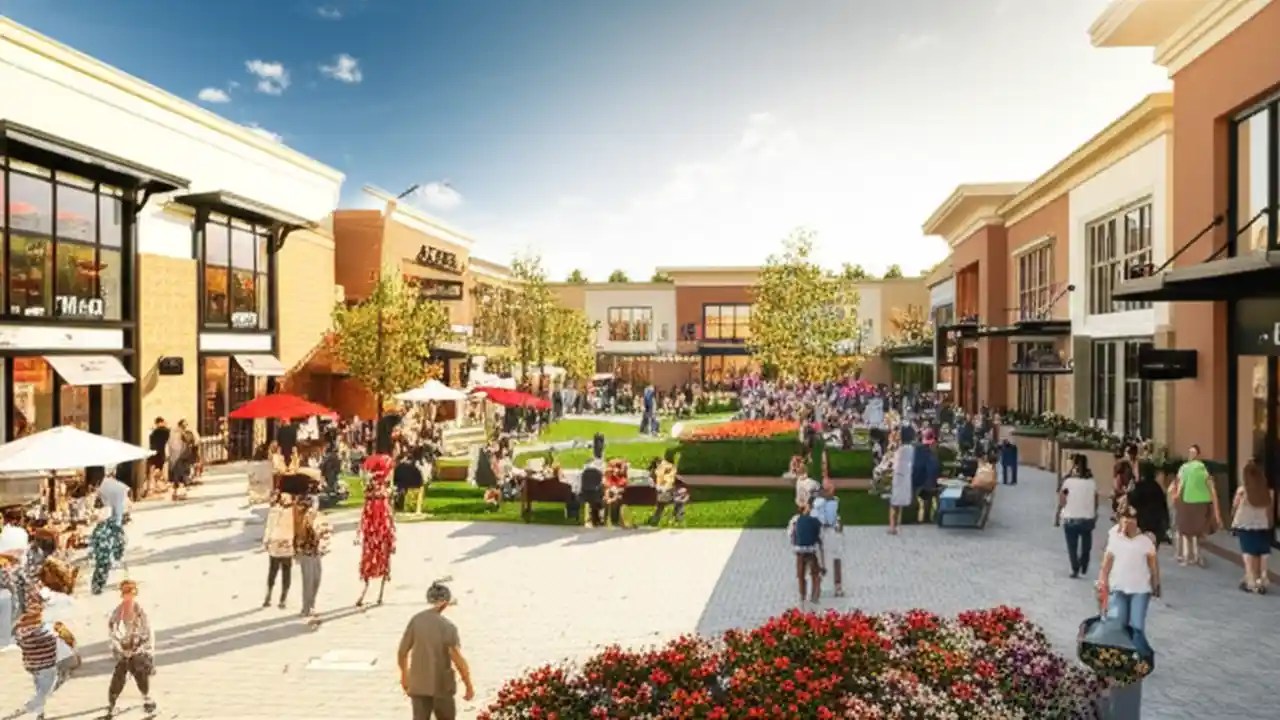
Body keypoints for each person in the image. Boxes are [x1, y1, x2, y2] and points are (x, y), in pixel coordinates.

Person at [1096, 504, 1160, 719]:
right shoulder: (1114, 539)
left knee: (1137, 626)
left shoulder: (1145, 542)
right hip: (1119, 589)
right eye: (1123, 519)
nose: (1126, 522)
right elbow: (1106, 564)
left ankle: (1143, 659)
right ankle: (1120, 662)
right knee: (1118, 625)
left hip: (1140, 590)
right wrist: (1102, 582)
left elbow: (1153, 565)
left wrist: (1156, 583)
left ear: (1137, 522)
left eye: (1130, 519)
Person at [397, 580, 476, 720]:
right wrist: (468, 683)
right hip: (442, 685)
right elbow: (456, 657)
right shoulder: (448, 627)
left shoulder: (416, 621)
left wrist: (405, 676)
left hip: (419, 684)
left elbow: (402, 652)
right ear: (446, 602)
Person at [105, 579, 157, 718]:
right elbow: (113, 633)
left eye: (131, 592)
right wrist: (121, 649)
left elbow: (148, 634)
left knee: (138, 667)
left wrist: (137, 648)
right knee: (120, 673)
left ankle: (147, 697)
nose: (128, 595)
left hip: (141, 651)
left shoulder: (141, 612)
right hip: (123, 651)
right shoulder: (117, 613)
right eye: (126, 592)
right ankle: (113, 701)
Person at [1170, 444, 1221, 567]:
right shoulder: (1203, 469)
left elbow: (1180, 484)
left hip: (1188, 501)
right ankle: (1196, 555)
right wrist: (1215, 507)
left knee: (1186, 530)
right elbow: (1211, 487)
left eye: (1192, 453)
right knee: (1197, 531)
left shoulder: (1185, 468)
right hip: (1202, 501)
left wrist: (1175, 497)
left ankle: (1188, 556)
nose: (1191, 455)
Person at [357, 455, 397, 607]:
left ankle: (373, 590)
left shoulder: (374, 491)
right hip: (377, 526)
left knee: (377, 555)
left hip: (377, 526)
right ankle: (378, 592)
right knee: (379, 555)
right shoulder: (382, 492)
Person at [1231, 458, 1274, 594]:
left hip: (1245, 525)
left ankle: (1251, 580)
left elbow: (1235, 506)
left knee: (1248, 553)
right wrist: (1269, 524)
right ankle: (1262, 578)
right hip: (1262, 525)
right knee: (1261, 552)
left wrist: (1233, 517)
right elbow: (1269, 510)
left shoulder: (1242, 491)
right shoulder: (1267, 492)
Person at [14, 604, 58, 720]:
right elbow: (54, 640)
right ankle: (28, 707)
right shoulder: (45, 633)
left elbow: (19, 642)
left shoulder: (22, 635)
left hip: (32, 666)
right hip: (46, 666)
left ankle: (40, 713)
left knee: (40, 689)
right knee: (45, 691)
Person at [1058, 453, 1098, 579]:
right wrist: (1094, 512)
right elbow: (1096, 500)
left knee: (1072, 546)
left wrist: (1060, 512)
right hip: (1087, 518)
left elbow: (1062, 499)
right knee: (1086, 545)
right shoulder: (1091, 482)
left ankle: (1075, 567)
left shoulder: (1068, 482)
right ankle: (1084, 563)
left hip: (1071, 517)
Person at [294, 492, 333, 618]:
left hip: (316, 549)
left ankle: (311, 604)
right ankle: (306, 608)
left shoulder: (315, 508)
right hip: (304, 549)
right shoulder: (299, 506)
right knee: (308, 579)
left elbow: (322, 526)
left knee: (317, 577)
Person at [811, 475, 844, 598]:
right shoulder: (818, 502)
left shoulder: (833, 501)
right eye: (826, 488)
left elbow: (834, 517)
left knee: (836, 557)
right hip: (820, 530)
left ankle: (837, 585)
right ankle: (817, 586)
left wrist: (838, 523)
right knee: (818, 559)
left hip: (831, 531)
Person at [262, 492, 296, 609]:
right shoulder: (292, 512)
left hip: (280, 543)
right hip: (285, 543)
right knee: (283, 570)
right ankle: (280, 597)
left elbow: (269, 527)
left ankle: (274, 595)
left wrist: (266, 541)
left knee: (275, 570)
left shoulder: (275, 511)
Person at [788, 498, 824, 605]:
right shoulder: (815, 519)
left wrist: (794, 545)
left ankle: (802, 595)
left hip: (799, 550)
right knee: (815, 574)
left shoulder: (795, 520)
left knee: (801, 574)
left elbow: (790, 534)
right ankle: (814, 596)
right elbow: (820, 535)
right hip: (811, 550)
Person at [888, 427, 916, 535]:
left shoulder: (901, 450)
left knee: (894, 502)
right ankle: (897, 525)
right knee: (900, 503)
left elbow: (895, 463)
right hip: (906, 476)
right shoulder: (911, 449)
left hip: (899, 477)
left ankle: (892, 526)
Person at [166, 421, 190, 501]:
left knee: (175, 476)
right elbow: (187, 441)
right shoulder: (181, 433)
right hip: (180, 457)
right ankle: (180, 493)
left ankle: (175, 493)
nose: (186, 426)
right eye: (185, 425)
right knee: (181, 475)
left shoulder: (172, 433)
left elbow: (168, 445)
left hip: (173, 458)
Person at [147, 417, 170, 494]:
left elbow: (150, 441)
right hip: (160, 453)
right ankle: (155, 485)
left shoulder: (153, 432)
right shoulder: (165, 431)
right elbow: (168, 440)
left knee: (154, 468)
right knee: (158, 469)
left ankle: (153, 485)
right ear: (161, 422)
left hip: (152, 452)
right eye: (163, 422)